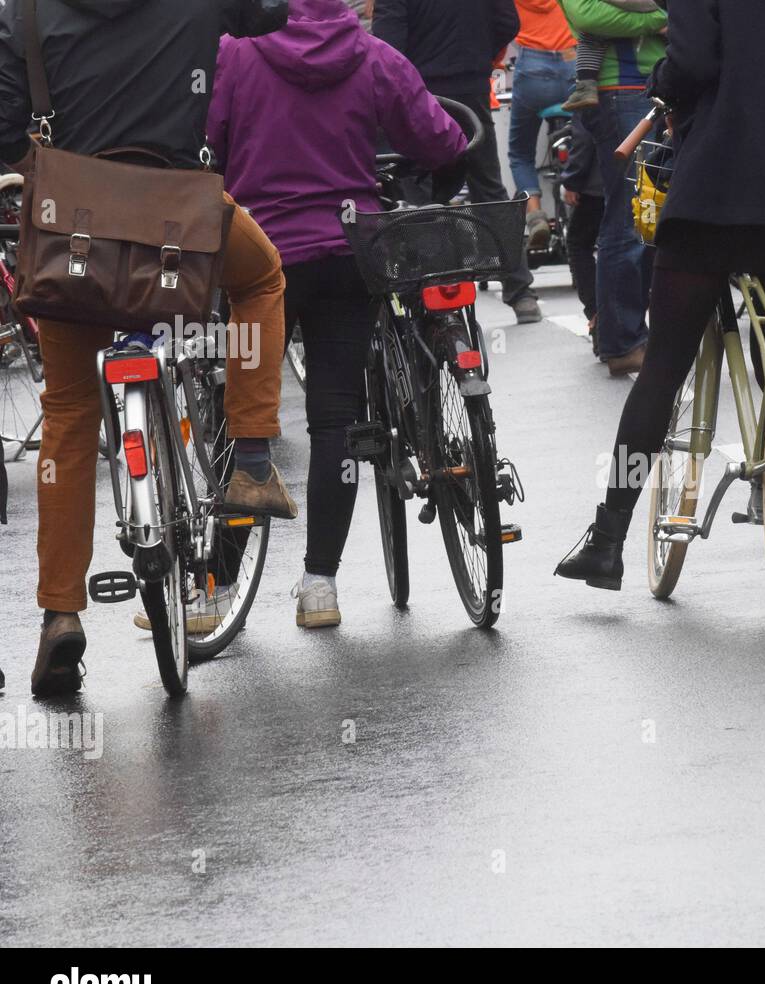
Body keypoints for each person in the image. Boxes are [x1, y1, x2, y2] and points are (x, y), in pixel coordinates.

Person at [0, 0, 297, 697]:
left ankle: (60, 613)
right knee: (262, 279)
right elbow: (273, 14)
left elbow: (6, 130)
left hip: (73, 237)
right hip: (180, 227)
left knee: (71, 414)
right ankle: (251, 458)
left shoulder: (26, 14)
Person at [555, 0, 765, 590]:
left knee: (663, 366)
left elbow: (690, 64)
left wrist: (663, 83)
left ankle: (609, 536)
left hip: (724, 183)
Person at [207, 0, 466, 627]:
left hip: (257, 259)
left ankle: (213, 588)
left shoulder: (235, 56)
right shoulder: (373, 56)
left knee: (242, 415)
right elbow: (442, 141)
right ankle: (320, 585)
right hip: (349, 252)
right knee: (336, 421)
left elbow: (206, 143)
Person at [372, 0, 544, 324]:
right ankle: (521, 292)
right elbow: (508, 21)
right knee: (488, 190)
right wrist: (479, 57)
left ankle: (430, 288)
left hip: (418, 94)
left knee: (416, 194)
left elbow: (386, 44)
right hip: (470, 88)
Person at [557, 0, 667, 375]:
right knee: (629, 218)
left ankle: (627, 334)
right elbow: (586, 14)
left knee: (647, 216)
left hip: (645, 88)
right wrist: (660, 19)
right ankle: (622, 340)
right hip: (622, 90)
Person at [509, 1, 577, 250]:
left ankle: (535, 214)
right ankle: (577, 186)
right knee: (586, 139)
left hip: (531, 65)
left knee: (520, 152)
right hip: (572, 59)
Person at [560, 0, 663, 112]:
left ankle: (586, 86)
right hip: (633, 82)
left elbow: (589, 18)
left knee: (591, 38)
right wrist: (665, 18)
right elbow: (587, 16)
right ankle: (586, 87)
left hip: (629, 83)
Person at [560, 112, 606, 351]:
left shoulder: (592, 77)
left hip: (598, 184)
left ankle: (598, 314)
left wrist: (573, 179)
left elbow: (585, 135)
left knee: (579, 243)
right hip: (643, 177)